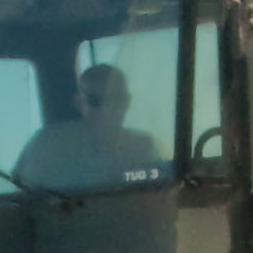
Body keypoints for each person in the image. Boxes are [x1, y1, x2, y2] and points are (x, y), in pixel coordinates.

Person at [12, 61, 164, 191]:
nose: (107, 110)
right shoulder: (46, 145)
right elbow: (20, 198)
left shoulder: (145, 148)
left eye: (118, 100)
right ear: (79, 103)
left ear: (128, 102)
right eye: (96, 101)